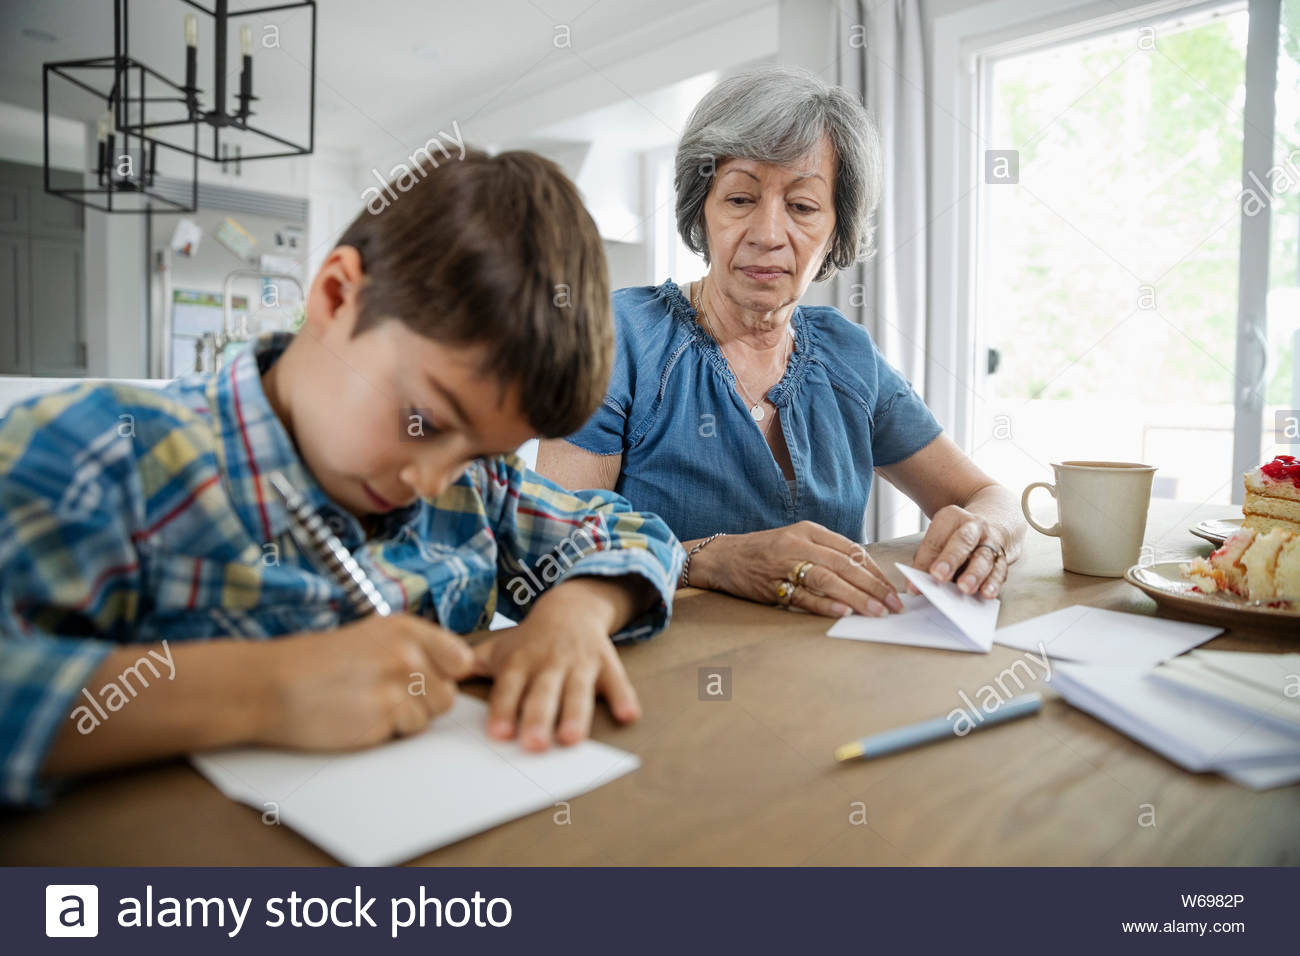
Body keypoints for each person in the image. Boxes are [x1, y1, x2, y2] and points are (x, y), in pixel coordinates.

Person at [0, 149, 683, 806]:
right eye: (424, 419)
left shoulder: (475, 481)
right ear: (335, 297)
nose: (430, 479)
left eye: (481, 452)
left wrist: (578, 609)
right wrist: (263, 689)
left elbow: (631, 529)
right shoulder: (100, 453)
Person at [538, 67, 1025, 619]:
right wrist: (710, 559)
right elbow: (553, 551)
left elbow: (991, 497)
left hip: (828, 675)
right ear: (703, 210)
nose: (768, 234)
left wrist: (987, 531)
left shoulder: (848, 354)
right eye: (741, 199)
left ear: (838, 232)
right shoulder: (618, 335)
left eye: (802, 206)